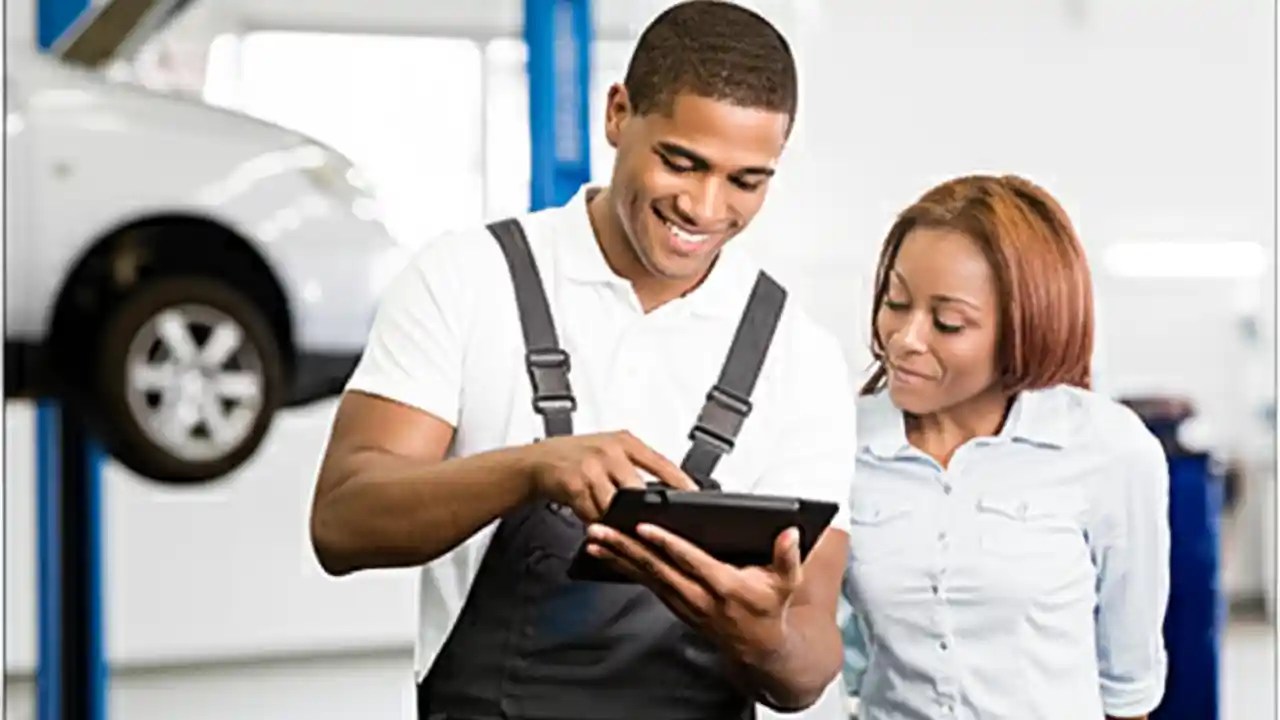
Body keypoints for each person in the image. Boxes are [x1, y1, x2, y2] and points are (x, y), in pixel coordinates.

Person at [308, 2, 857, 718]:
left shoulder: (799, 354)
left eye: (745, 181)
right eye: (680, 162)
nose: (704, 207)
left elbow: (808, 659)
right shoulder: (467, 277)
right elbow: (343, 522)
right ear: (617, 114)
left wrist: (766, 639)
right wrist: (530, 470)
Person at [840, 175, 1171, 720]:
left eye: (948, 323)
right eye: (896, 303)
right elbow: (843, 655)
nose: (905, 339)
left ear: (1024, 329)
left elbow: (1128, 685)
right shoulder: (842, 442)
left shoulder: (1109, 449)